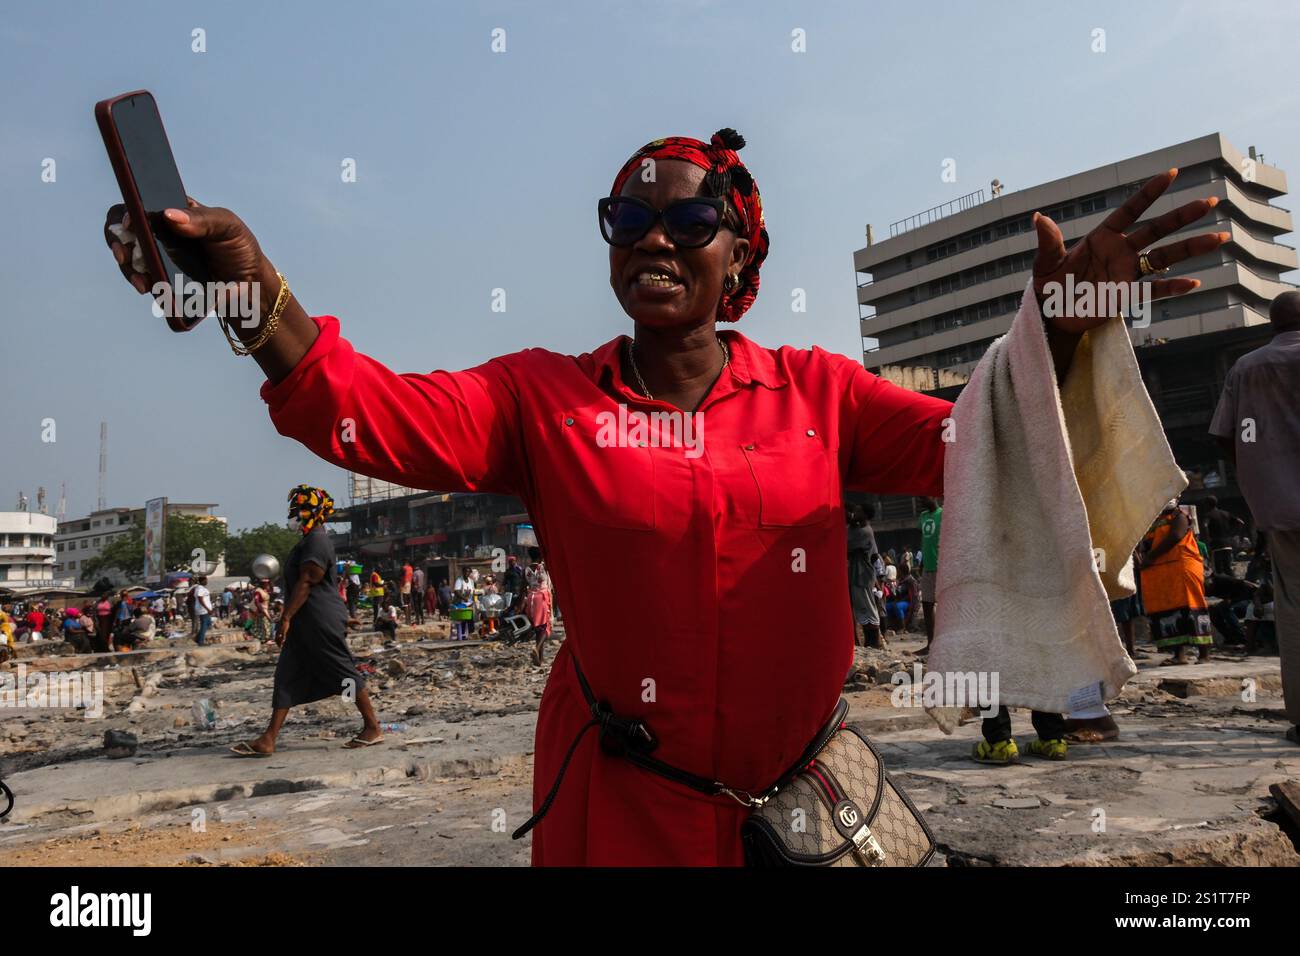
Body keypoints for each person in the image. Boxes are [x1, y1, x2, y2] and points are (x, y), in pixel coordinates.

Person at [102, 129, 1225, 864]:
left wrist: (1063, 330)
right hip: (621, 808)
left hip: (801, 804)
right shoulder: (540, 400)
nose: (653, 238)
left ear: (740, 259)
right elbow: (361, 410)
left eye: (689, 223)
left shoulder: (817, 394)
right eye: (626, 219)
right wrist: (246, 285)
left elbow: (988, 447)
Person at [231, 486, 381, 756]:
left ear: (315, 512)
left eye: (299, 510)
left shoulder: (317, 541)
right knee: (287, 674)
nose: (294, 516)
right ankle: (269, 738)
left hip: (317, 618)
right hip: (307, 618)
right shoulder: (308, 540)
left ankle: (372, 726)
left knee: (342, 670)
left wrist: (285, 617)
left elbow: (307, 581)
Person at [1211, 290, 1300, 744]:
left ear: (1271, 325)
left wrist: (1259, 471)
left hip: (1281, 506)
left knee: (1292, 605)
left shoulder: (1246, 367)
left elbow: (1225, 435)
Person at [1137, 501, 1214, 665]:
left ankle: (1204, 654)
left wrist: (1150, 557)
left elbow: (1175, 536)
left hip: (1183, 567)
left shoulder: (1179, 516)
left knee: (1193, 606)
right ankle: (1179, 655)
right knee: (1171, 611)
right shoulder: (1154, 521)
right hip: (1164, 571)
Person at [847, 504, 883, 648]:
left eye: (858, 511)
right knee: (862, 608)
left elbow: (847, 545)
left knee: (868, 608)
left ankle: (874, 642)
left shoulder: (865, 532)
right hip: (858, 574)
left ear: (865, 514)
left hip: (863, 575)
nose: (854, 513)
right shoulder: (857, 529)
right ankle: (870, 642)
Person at [918, 496, 942, 654]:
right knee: (927, 604)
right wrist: (921, 562)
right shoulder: (923, 516)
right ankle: (930, 644)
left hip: (942, 565)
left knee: (946, 605)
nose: (920, 499)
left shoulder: (944, 513)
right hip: (927, 566)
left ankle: (943, 643)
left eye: (922, 496)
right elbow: (924, 540)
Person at [523, 549, 554, 666]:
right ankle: (536, 649)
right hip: (542, 598)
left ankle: (539, 659)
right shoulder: (543, 567)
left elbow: (522, 589)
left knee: (538, 629)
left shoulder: (526, 570)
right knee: (546, 627)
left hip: (531, 598)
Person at [192, 576, 214, 646]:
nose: (207, 582)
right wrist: (207, 609)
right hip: (203, 610)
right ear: (202, 581)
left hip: (205, 609)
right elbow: (200, 599)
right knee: (204, 626)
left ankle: (198, 638)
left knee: (208, 624)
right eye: (206, 580)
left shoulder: (201, 588)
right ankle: (201, 642)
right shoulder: (200, 589)